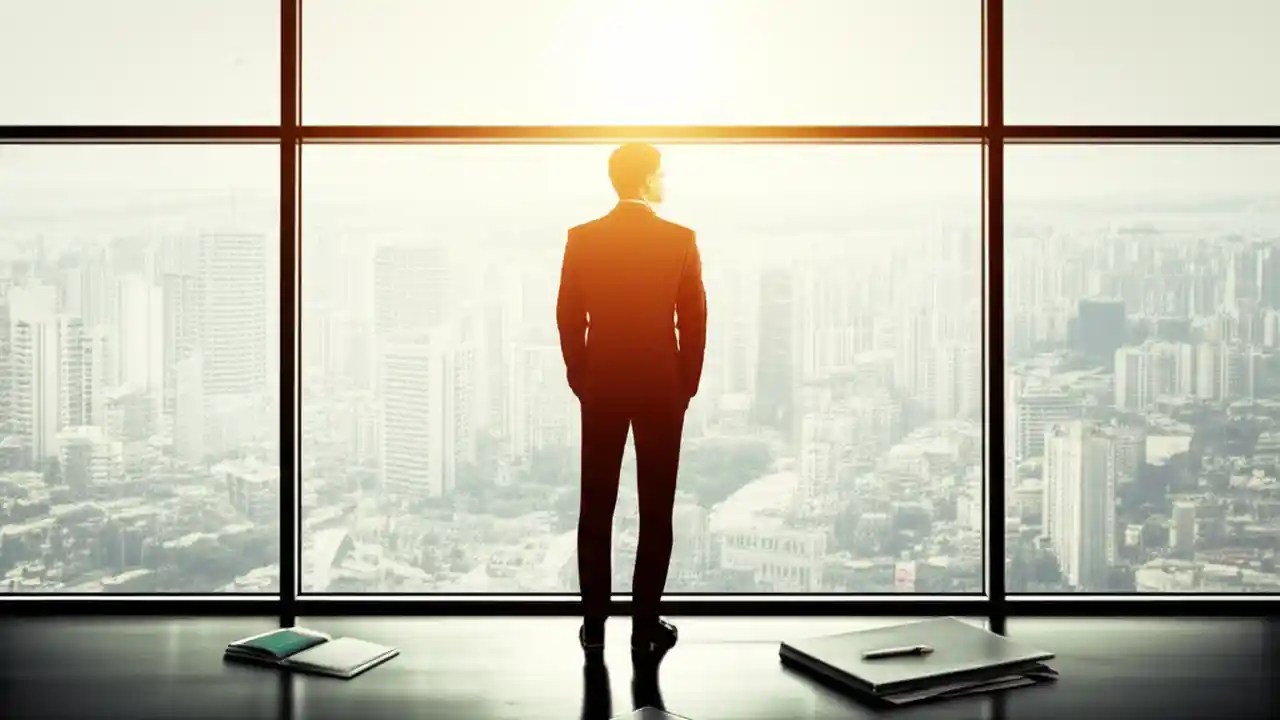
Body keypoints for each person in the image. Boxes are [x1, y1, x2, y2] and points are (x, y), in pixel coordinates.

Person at [557, 143, 707, 658]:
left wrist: (581, 375)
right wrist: (685, 383)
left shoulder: (583, 239)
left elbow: (568, 316)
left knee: (595, 507)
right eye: (661, 173)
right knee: (656, 509)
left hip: (601, 386)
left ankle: (593, 625)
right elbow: (694, 320)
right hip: (661, 389)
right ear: (645, 181)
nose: (665, 181)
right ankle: (646, 625)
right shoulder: (680, 240)